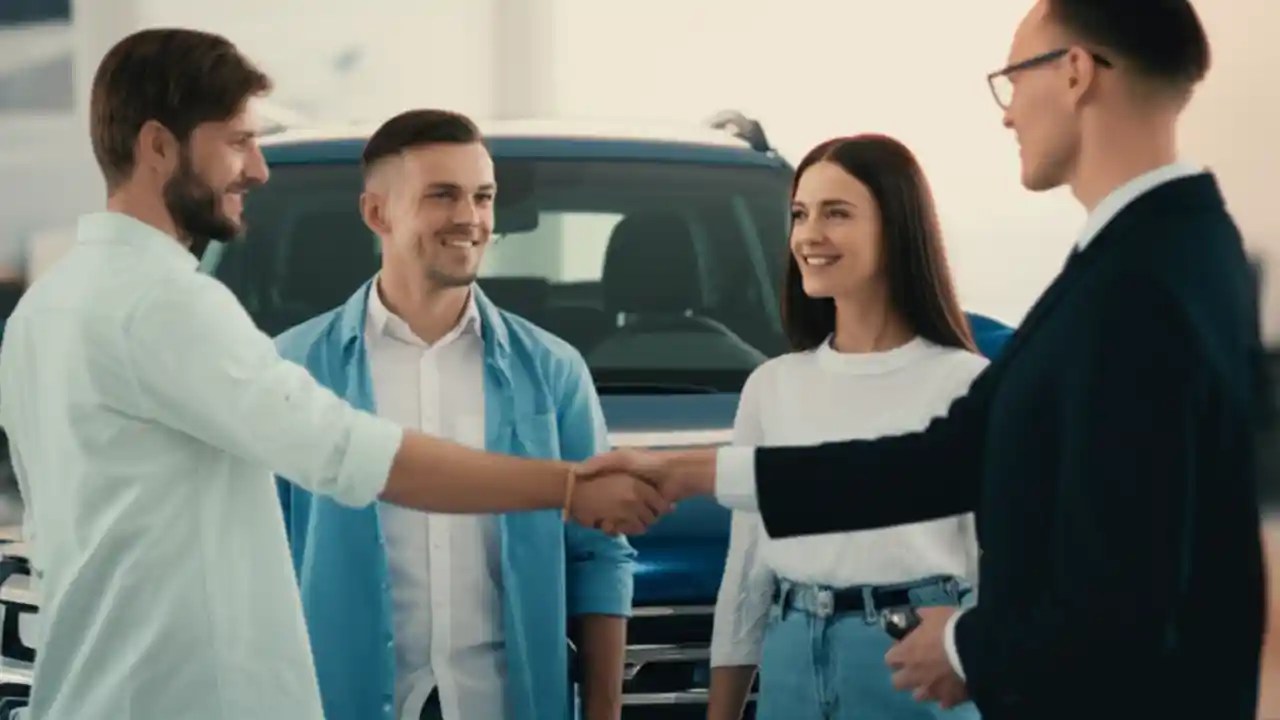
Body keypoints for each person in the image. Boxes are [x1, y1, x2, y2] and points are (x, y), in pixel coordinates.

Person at [581, 1, 1267, 718]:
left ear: (1074, 74)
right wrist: (689, 472)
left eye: (1012, 79)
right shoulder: (1160, 253)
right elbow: (943, 460)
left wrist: (968, 645)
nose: (1008, 114)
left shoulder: (1143, 281)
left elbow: (1131, 582)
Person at [0, 29, 663, 720]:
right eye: (238, 141)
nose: (257, 169)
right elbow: (352, 455)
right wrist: (566, 485)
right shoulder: (171, 305)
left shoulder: (42, 311)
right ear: (159, 146)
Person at [273, 109, 633, 720]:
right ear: (377, 213)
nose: (471, 217)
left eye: (483, 196)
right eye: (443, 195)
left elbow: (598, 555)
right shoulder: (294, 370)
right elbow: (257, 566)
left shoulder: (553, 371)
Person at [706, 134, 986, 720]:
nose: (809, 234)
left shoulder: (966, 383)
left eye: (836, 213)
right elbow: (747, 576)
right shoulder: (772, 386)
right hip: (789, 666)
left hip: (914, 664)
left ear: (897, 229)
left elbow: (1002, 568)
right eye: (800, 214)